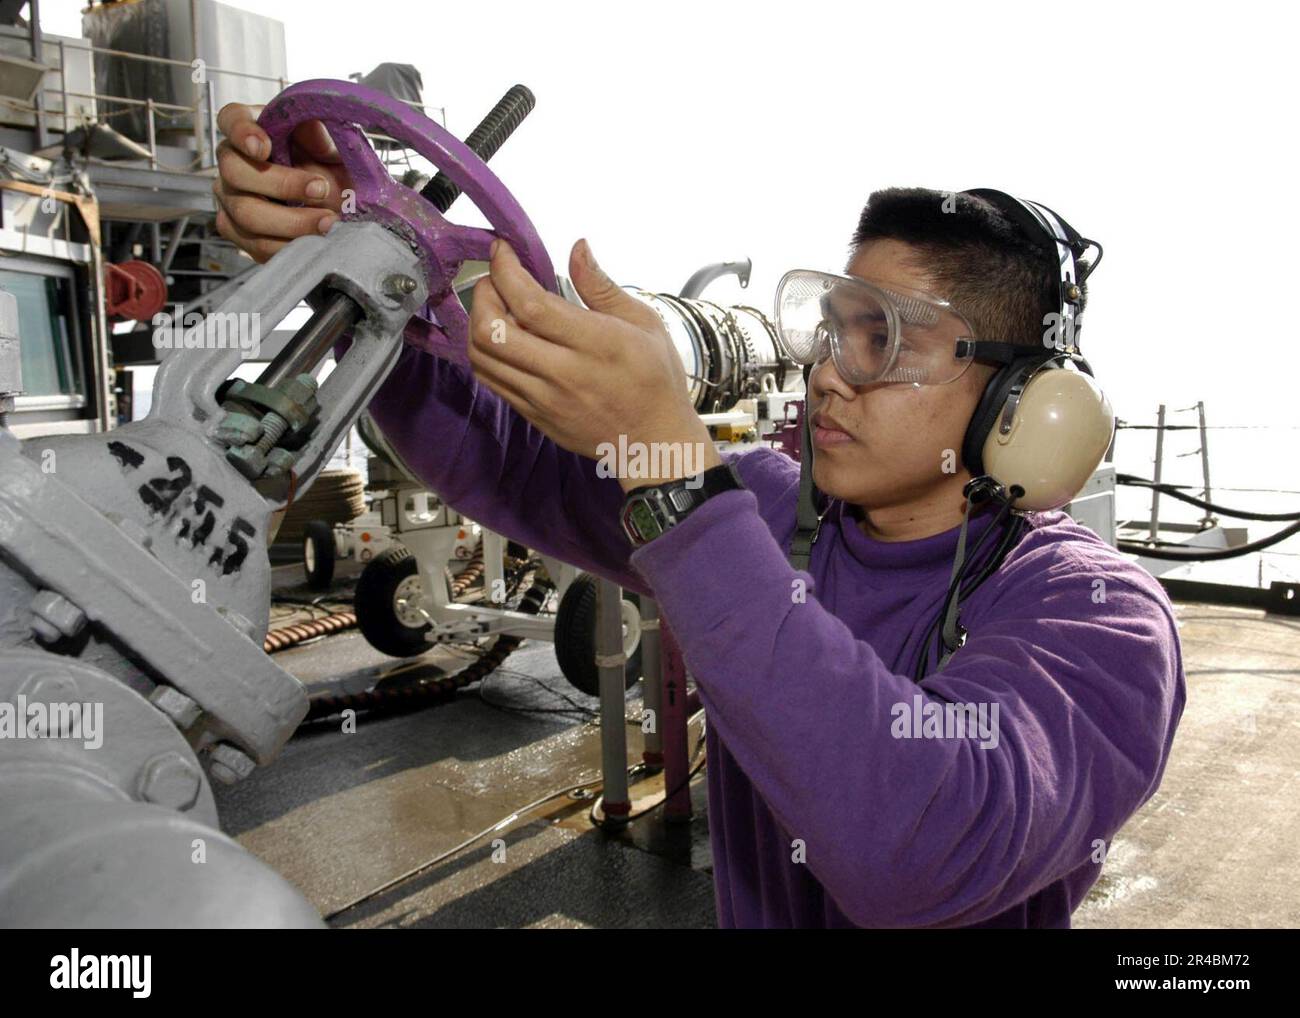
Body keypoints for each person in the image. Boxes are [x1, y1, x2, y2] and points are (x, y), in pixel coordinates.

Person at [214, 103, 1185, 928]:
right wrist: (368, 281)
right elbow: (501, 462)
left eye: (884, 341)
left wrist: (676, 473)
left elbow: (914, 841)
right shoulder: (764, 504)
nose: (829, 374)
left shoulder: (1098, 618)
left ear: (1020, 408)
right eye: (834, 325)